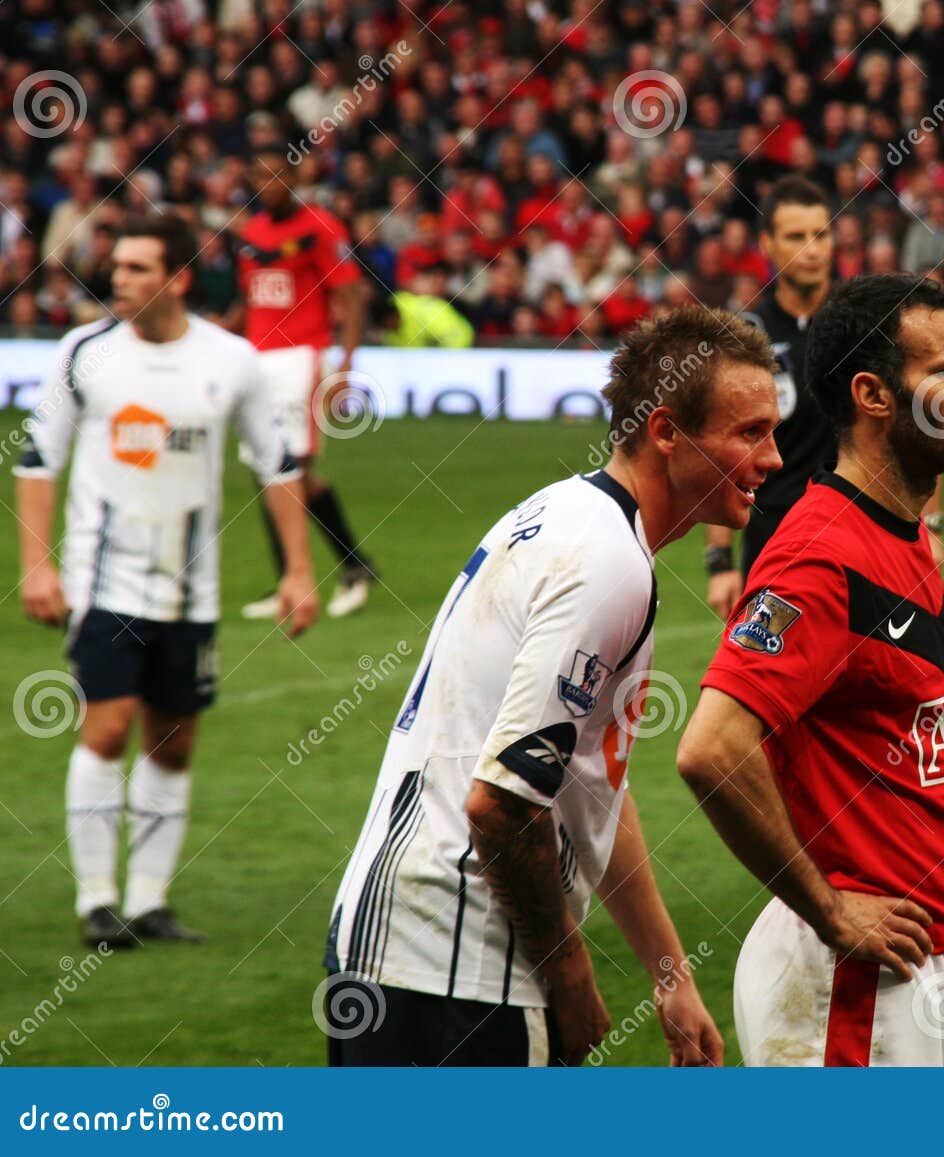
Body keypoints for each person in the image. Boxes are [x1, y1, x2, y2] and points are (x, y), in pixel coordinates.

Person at [323, 306, 781, 1066]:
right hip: (457, 959)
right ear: (667, 431)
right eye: (750, 432)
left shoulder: (569, 513)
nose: (772, 458)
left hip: (405, 939)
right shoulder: (607, 563)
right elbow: (501, 804)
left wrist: (669, 974)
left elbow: (590, 783)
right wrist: (568, 974)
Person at [677, 273, 944, 1067]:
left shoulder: (903, 534)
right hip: (857, 982)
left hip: (928, 957)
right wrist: (830, 910)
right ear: (873, 395)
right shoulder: (820, 555)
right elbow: (711, 747)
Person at [14, 214, 318, 948]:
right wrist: (38, 564)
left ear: (177, 279)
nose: (117, 278)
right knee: (109, 724)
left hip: (192, 587)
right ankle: (97, 900)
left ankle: (149, 901)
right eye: (117, 266)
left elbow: (277, 465)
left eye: (137, 268)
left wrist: (299, 570)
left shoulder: (232, 360)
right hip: (103, 579)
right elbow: (37, 460)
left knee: (173, 741)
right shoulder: (83, 352)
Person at [231, 147, 377, 620]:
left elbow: (351, 295)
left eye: (277, 175)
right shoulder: (252, 233)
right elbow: (250, 301)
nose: (269, 184)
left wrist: (345, 367)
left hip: (301, 358)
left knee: (295, 471)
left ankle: (354, 567)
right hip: (258, 360)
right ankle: (287, 581)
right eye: (260, 176)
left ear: (293, 178)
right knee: (263, 471)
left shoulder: (320, 227)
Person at [703, 177, 836, 617]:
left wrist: (930, 527)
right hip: (773, 543)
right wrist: (720, 561)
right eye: (796, 237)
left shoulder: (867, 326)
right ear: (767, 244)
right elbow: (724, 452)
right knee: (770, 661)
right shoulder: (746, 337)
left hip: (858, 536)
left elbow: (910, 423)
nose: (812, 249)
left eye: (821, 234)